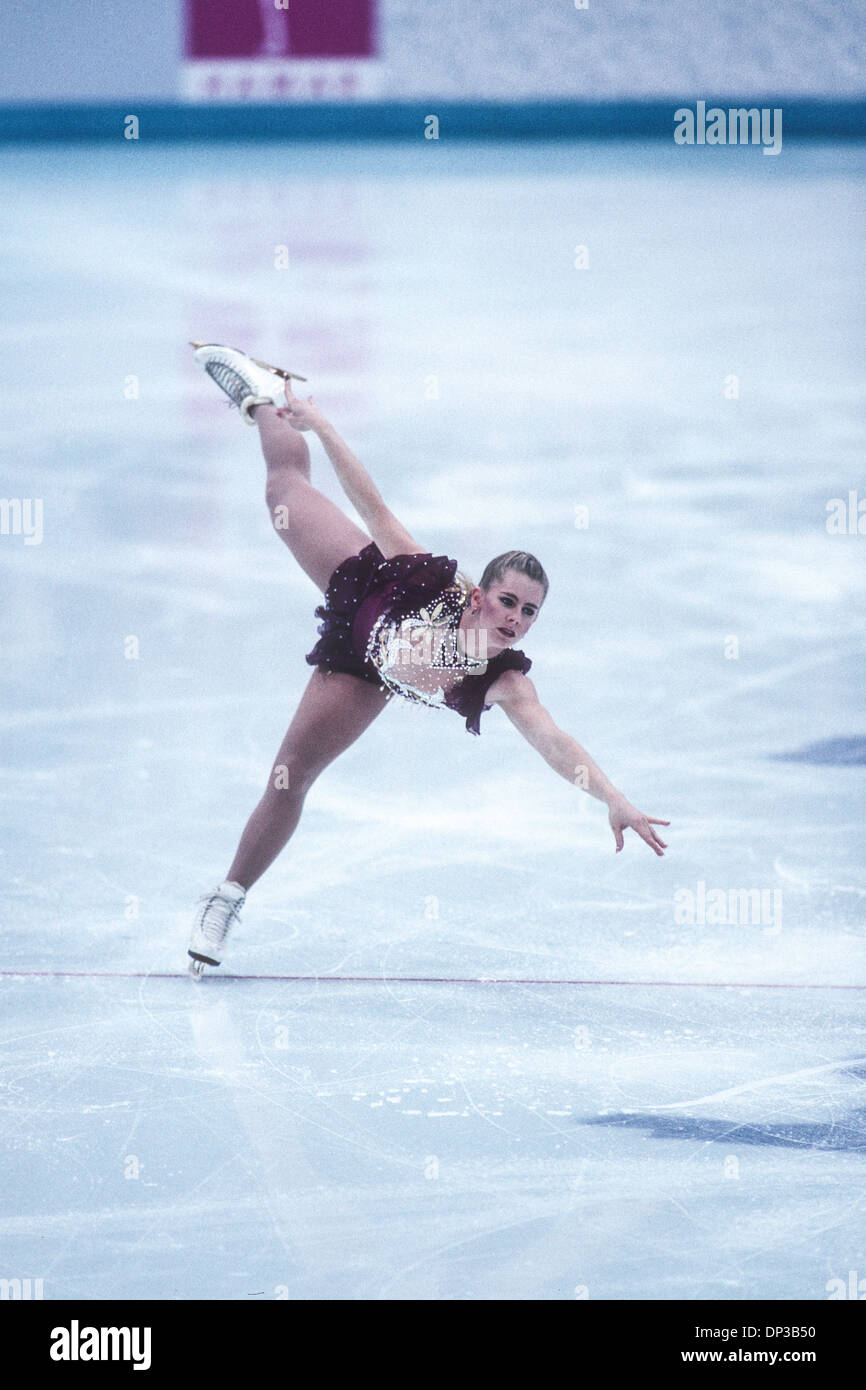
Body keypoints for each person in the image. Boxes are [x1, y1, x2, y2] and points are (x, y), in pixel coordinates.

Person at [185, 344, 670, 976]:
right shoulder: (430, 583)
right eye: (507, 602)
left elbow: (554, 742)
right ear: (478, 596)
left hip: (365, 672)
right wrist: (323, 425)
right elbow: (371, 506)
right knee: (284, 490)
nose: (515, 620)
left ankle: (225, 900)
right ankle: (263, 394)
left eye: (529, 613)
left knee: (291, 776)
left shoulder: (505, 682)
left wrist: (614, 797)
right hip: (359, 587)